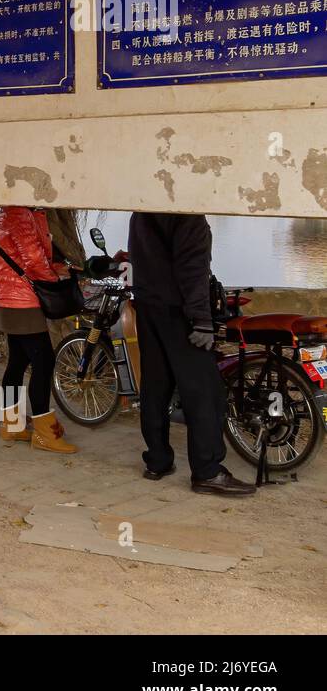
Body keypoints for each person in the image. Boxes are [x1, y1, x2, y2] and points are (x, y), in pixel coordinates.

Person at [128, 211, 253, 495]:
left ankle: (157, 461)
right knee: (205, 393)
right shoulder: (188, 216)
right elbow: (192, 269)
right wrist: (202, 321)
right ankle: (207, 471)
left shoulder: (141, 211)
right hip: (180, 313)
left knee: (155, 388)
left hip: (148, 307)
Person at [0, 205, 76, 454]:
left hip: (10, 297)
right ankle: (45, 433)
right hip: (21, 300)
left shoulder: (13, 213)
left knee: (17, 362)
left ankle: (12, 425)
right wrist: (55, 277)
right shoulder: (18, 214)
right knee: (44, 363)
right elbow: (34, 259)